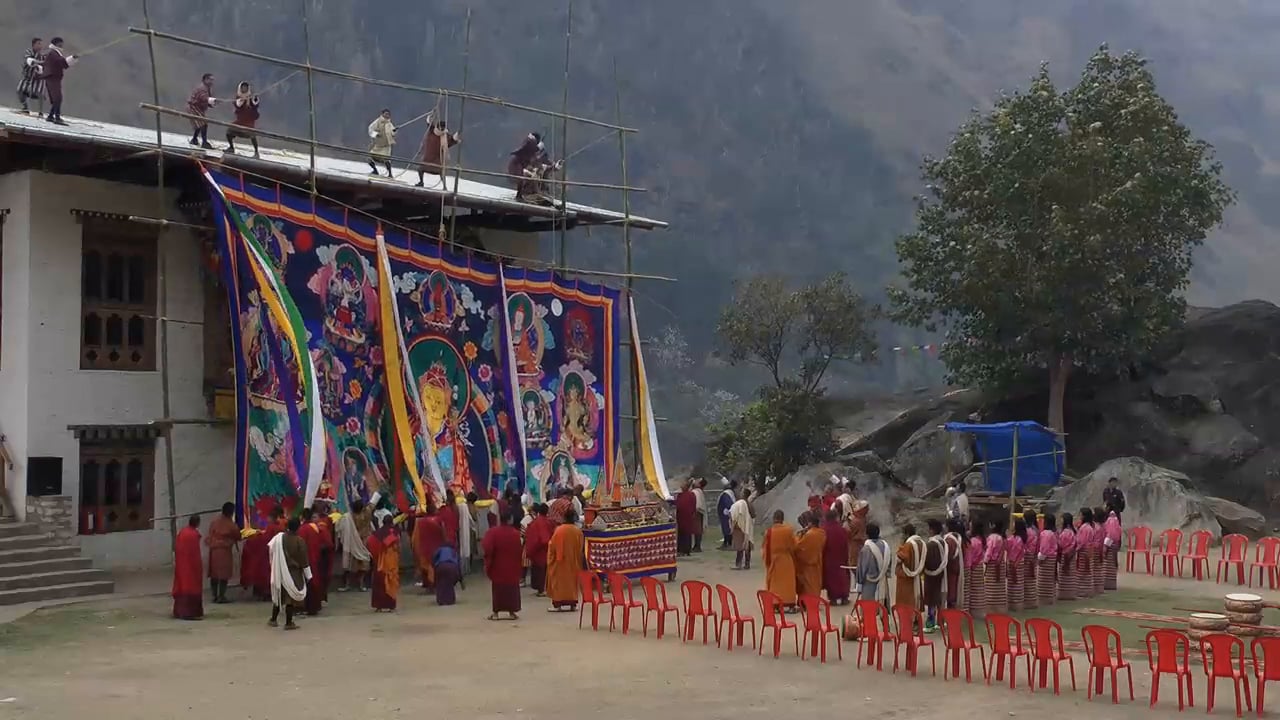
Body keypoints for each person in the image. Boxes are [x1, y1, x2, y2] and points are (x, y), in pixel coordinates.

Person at [483, 509, 524, 620]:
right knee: (511, 590)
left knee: (498, 590)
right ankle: (511, 612)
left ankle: (496, 613)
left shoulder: (492, 532)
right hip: (512, 566)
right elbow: (519, 550)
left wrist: (488, 562)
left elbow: (487, 548)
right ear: (510, 520)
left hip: (498, 567)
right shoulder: (515, 534)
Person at [269, 517, 309, 630]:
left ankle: (273, 619)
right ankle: (288, 622)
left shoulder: (279, 538)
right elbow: (304, 558)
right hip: (293, 572)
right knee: (290, 597)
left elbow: (271, 549)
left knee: (279, 594)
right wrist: (308, 573)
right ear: (298, 528)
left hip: (280, 569)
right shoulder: (299, 541)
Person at [241, 507, 284, 601]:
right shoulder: (279, 527)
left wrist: (254, 539)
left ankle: (266, 593)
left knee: (265, 573)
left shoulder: (272, 527)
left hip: (267, 553)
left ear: (272, 518)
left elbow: (266, 540)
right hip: (275, 554)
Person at [546, 509, 584, 611]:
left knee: (559, 584)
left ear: (564, 518)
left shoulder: (559, 530)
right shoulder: (578, 531)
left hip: (560, 563)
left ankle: (558, 605)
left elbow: (552, 546)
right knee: (572, 583)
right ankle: (572, 604)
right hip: (573, 562)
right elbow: (580, 547)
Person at [763, 510, 799, 610]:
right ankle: (790, 603)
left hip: (774, 560)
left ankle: (775, 603)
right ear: (782, 519)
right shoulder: (788, 530)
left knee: (775, 583)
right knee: (788, 583)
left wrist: (767, 561)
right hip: (786, 560)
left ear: (774, 519)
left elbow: (765, 548)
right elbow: (794, 545)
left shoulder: (769, 532)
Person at [205, 502, 240, 604]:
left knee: (214, 574)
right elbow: (238, 535)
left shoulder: (215, 522)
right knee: (223, 575)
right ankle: (221, 596)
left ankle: (215, 595)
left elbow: (210, 533)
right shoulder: (231, 525)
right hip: (224, 551)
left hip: (214, 550)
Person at [336, 498, 373, 591]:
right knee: (361, 563)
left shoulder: (349, 516)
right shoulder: (365, 514)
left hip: (354, 541)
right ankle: (360, 584)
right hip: (361, 541)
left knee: (351, 564)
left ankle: (348, 584)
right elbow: (372, 504)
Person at [172, 514, 204, 620]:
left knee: (182, 585)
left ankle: (179, 612)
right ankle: (190, 613)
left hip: (181, 564)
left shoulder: (182, 532)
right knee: (191, 586)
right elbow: (195, 553)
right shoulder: (194, 534)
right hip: (191, 564)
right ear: (197, 523)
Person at [415, 114, 461, 187]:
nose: (441, 128)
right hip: (427, 160)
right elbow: (429, 124)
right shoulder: (432, 131)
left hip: (437, 163)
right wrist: (430, 116)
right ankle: (421, 182)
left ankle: (444, 186)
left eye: (443, 127)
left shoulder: (445, 137)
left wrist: (457, 134)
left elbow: (452, 140)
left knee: (441, 173)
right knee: (420, 169)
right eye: (440, 127)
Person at [365, 515, 400, 612]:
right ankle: (390, 606)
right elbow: (398, 546)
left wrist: (376, 556)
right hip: (391, 562)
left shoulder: (377, 534)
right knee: (390, 582)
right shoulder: (395, 533)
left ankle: (379, 606)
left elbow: (369, 544)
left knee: (379, 584)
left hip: (380, 562)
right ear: (391, 522)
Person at [39, 38, 74, 125]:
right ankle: (56, 117)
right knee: (57, 98)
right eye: (60, 45)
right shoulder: (53, 53)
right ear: (55, 44)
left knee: (57, 98)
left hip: (54, 78)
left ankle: (51, 116)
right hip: (52, 78)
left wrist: (72, 58)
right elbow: (61, 62)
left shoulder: (54, 53)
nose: (61, 46)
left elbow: (63, 64)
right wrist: (72, 58)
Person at [853, 522, 890, 604]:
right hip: (883, 581)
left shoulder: (866, 549)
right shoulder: (885, 546)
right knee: (882, 608)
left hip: (869, 584)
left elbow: (862, 568)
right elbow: (889, 563)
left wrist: (859, 583)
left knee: (868, 609)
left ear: (867, 534)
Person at [297, 508, 326, 615]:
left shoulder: (303, 529)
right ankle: (315, 606)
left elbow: (300, 545)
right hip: (315, 557)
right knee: (314, 581)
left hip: (306, 559)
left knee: (308, 583)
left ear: (303, 517)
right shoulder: (315, 528)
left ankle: (310, 607)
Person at [921, 518, 947, 632]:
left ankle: (930, 624)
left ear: (932, 530)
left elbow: (928, 561)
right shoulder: (943, 542)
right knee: (939, 599)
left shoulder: (931, 545)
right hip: (942, 574)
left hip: (931, 576)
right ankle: (940, 622)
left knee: (931, 600)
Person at [821, 509, 851, 605]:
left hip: (829, 558)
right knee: (842, 576)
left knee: (831, 578)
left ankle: (833, 598)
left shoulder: (824, 530)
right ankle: (844, 597)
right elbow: (846, 543)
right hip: (841, 556)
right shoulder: (841, 529)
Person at [894, 524, 926, 613]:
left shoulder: (908, 545)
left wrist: (901, 545)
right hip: (917, 576)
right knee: (916, 598)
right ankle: (916, 619)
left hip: (906, 579)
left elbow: (899, 558)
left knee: (907, 602)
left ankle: (908, 619)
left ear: (907, 534)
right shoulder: (922, 543)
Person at [413, 503, 445, 591]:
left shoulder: (420, 522)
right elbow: (443, 533)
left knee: (426, 568)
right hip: (436, 547)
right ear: (434, 510)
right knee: (435, 567)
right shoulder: (438, 520)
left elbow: (415, 537)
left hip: (425, 548)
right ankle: (435, 585)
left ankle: (428, 585)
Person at [794, 511, 825, 599]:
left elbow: (798, 547)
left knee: (808, 585)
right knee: (815, 584)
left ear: (810, 523)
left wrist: (799, 536)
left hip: (807, 564)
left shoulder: (809, 535)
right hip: (817, 563)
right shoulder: (822, 533)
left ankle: (806, 602)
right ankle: (814, 600)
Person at [524, 503, 554, 595]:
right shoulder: (549, 522)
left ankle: (542, 590)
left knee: (540, 571)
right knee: (544, 571)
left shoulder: (536, 522)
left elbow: (533, 537)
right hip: (546, 549)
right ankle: (544, 589)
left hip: (538, 550)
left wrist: (530, 550)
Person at [225, 81, 261, 157]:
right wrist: (241, 100)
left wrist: (254, 100)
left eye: (246, 87)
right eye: (243, 87)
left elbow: (255, 105)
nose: (244, 89)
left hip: (249, 120)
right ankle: (231, 147)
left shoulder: (251, 97)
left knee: (252, 135)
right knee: (229, 131)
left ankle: (256, 152)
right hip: (240, 120)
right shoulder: (238, 97)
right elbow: (237, 106)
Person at [187, 73, 218, 149]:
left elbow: (207, 100)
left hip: (199, 108)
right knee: (203, 124)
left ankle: (194, 139)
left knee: (200, 124)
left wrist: (213, 102)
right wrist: (212, 100)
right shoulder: (202, 88)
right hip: (194, 107)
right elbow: (203, 98)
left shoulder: (207, 88)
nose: (211, 82)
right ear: (205, 80)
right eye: (210, 80)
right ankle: (204, 142)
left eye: (212, 80)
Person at [984, 520, 1008, 614]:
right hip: (1000, 563)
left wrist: (985, 561)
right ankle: (1000, 607)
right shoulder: (1002, 538)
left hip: (992, 564)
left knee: (991, 586)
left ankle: (991, 608)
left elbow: (989, 551)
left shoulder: (992, 537)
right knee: (999, 586)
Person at [964, 521, 986, 618]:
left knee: (971, 590)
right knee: (978, 589)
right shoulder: (981, 540)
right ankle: (978, 611)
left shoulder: (973, 541)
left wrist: (971, 565)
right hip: (979, 567)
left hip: (974, 567)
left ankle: (971, 611)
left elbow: (972, 557)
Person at [729, 487, 755, 570]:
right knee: (746, 544)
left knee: (741, 544)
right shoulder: (748, 504)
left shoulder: (744, 503)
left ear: (744, 494)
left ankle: (739, 563)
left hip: (743, 525)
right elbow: (754, 515)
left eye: (741, 492)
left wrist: (744, 520)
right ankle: (747, 563)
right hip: (747, 525)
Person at [16, 37, 44, 115]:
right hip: (26, 76)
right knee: (20, 91)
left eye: (41, 44)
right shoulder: (28, 52)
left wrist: (41, 66)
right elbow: (30, 61)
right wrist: (40, 63)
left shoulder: (42, 55)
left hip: (36, 79)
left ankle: (40, 112)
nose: (40, 46)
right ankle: (25, 108)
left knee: (39, 93)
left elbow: (44, 66)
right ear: (33, 45)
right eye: (38, 44)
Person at [942, 518, 965, 610]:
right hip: (957, 569)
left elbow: (946, 556)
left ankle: (949, 616)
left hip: (949, 570)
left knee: (949, 595)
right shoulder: (960, 539)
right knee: (955, 593)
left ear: (948, 527)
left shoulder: (949, 540)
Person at [1037, 514, 1058, 606]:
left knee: (1043, 579)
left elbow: (1044, 548)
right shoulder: (1054, 532)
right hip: (1052, 558)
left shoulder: (1045, 533)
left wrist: (1040, 559)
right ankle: (1049, 598)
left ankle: (1044, 599)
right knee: (1050, 579)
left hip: (1046, 558)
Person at [1074, 508, 1096, 599]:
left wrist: (1076, 549)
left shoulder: (1085, 528)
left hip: (1083, 551)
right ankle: (1087, 591)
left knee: (1082, 571)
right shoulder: (1090, 527)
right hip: (1088, 551)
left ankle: (1083, 592)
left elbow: (1081, 541)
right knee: (1086, 571)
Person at [367, 108, 395, 176]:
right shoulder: (377, 122)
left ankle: (390, 174)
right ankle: (375, 170)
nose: (387, 115)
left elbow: (392, 133)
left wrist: (394, 131)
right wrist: (376, 134)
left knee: (386, 160)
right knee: (369, 158)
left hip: (386, 146)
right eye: (385, 114)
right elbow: (370, 129)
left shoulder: (389, 124)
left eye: (388, 114)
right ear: (382, 114)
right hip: (378, 145)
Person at [1021, 509, 1040, 610]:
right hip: (1034, 556)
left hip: (1026, 556)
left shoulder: (1027, 531)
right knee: (1031, 579)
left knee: (1025, 579)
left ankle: (1026, 600)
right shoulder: (1036, 530)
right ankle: (1032, 600)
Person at [1007, 519, 1027, 611]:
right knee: (1018, 583)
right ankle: (1018, 604)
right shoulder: (1022, 538)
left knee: (1014, 584)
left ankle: (1014, 604)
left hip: (1014, 562)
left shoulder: (1014, 539)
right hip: (1020, 562)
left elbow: (1011, 549)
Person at [1057, 512, 1077, 601]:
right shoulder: (1073, 531)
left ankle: (1064, 594)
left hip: (1065, 554)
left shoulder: (1065, 532)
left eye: (1061, 519)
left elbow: (1061, 544)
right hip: (1071, 555)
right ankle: (1070, 593)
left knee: (1065, 574)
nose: (1060, 521)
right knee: (1070, 574)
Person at [675, 481, 698, 556]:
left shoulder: (691, 495)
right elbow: (677, 504)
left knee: (687, 533)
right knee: (682, 533)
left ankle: (686, 550)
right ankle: (682, 549)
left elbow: (693, 505)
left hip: (687, 517)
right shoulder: (680, 495)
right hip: (682, 517)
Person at [1103, 508, 1122, 591]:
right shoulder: (1117, 522)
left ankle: (1107, 584)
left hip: (1109, 546)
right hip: (1115, 546)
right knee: (1112, 565)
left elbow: (1110, 535)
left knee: (1108, 565)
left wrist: (1105, 546)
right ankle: (1111, 584)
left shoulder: (1110, 521)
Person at [717, 479, 736, 549]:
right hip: (725, 514)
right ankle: (726, 542)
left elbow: (728, 504)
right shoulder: (730, 493)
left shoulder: (727, 493)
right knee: (726, 528)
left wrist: (727, 511)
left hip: (726, 514)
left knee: (727, 528)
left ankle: (728, 543)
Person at [691, 478, 708, 552]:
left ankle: (697, 546)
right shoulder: (697, 491)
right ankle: (696, 545)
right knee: (697, 529)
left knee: (697, 530)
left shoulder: (697, 492)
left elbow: (698, 504)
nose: (696, 481)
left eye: (698, 481)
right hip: (698, 512)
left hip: (697, 512)